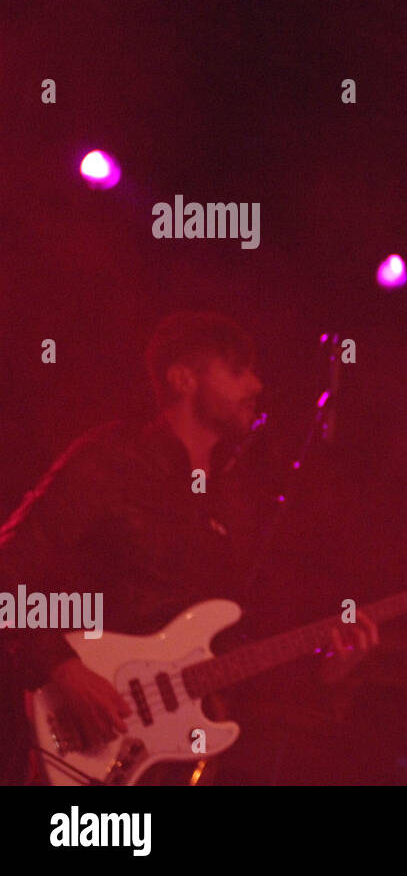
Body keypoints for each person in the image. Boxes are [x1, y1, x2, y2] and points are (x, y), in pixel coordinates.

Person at [0, 310, 375, 784]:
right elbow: (7, 568)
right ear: (182, 378)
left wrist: (325, 674)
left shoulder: (232, 502)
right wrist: (61, 667)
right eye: (238, 371)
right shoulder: (112, 461)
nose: (256, 385)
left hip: (165, 764)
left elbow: (230, 657)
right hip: (66, 732)